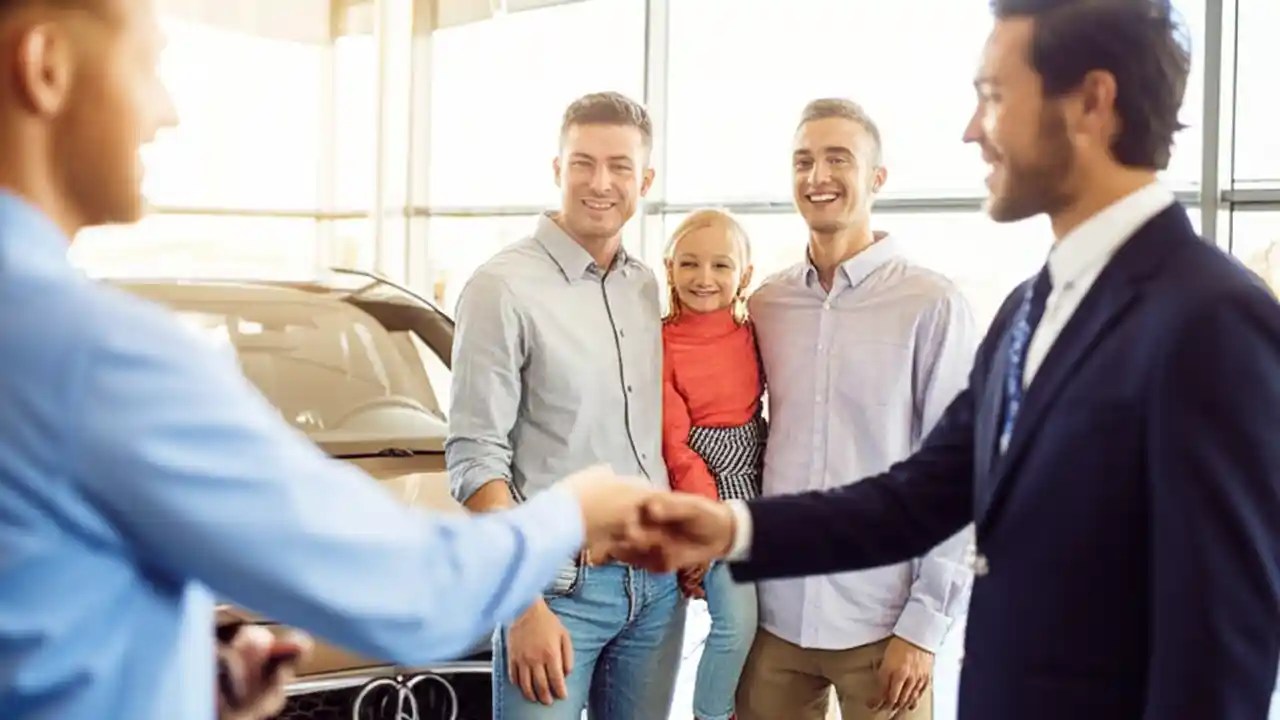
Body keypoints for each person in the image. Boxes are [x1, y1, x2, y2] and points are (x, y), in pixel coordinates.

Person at [622, 2, 1280, 720]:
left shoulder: (1214, 319)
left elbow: (1220, 654)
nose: (972, 129)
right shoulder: (1030, 309)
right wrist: (729, 529)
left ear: (1092, 102)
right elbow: (914, 499)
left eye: (993, 97)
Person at [0, 2, 655, 718]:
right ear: (48, 67)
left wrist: (177, 678)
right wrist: (575, 511)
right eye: (147, 66)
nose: (167, 112)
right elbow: (421, 590)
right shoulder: (93, 351)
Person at [734, 98, 977, 720]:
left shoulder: (932, 303)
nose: (818, 177)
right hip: (774, 620)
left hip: (883, 622)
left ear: (876, 177)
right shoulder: (766, 304)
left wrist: (924, 629)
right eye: (804, 161)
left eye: (838, 159)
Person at [446, 91, 686, 720]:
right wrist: (521, 606)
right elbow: (475, 459)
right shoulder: (500, 287)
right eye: (583, 163)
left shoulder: (643, 284)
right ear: (557, 169)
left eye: (620, 167)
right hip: (557, 588)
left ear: (646, 180)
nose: (600, 183)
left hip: (657, 590)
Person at [660, 208, 764, 720]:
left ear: (744, 275)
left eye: (721, 266)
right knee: (735, 622)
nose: (704, 279)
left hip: (760, 484)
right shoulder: (659, 341)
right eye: (690, 264)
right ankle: (710, 715)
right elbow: (676, 445)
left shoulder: (754, 333)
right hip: (706, 491)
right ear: (669, 267)